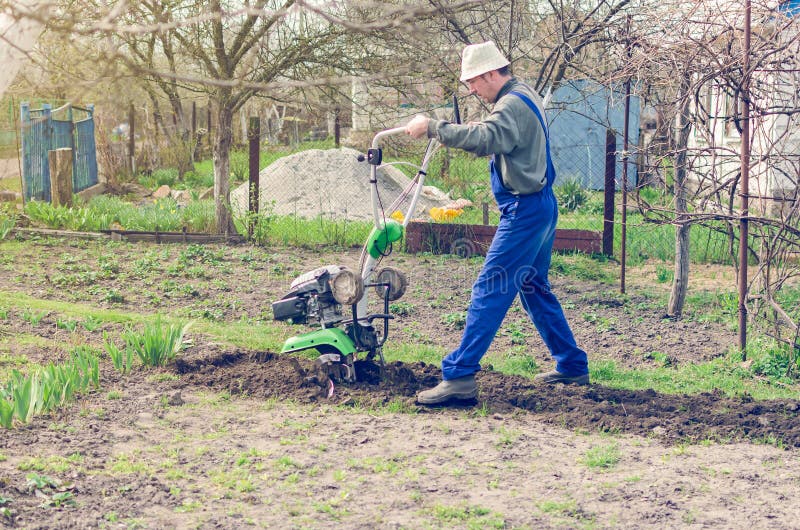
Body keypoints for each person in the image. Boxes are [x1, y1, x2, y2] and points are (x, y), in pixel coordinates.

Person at [405, 41, 589, 405]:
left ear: (491, 74)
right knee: (533, 286)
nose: (471, 89)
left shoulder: (512, 104)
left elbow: (485, 137)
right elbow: (493, 131)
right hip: (540, 206)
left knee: (490, 287)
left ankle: (459, 377)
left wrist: (433, 127)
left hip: (524, 210)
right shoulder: (525, 94)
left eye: (473, 81)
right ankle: (571, 363)